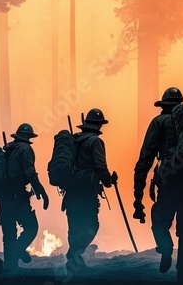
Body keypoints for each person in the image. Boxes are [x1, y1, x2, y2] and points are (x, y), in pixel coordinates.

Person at [133, 88, 183, 281]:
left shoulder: (159, 122)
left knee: (160, 220)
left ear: (163, 105)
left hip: (167, 179)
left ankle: (165, 248)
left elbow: (145, 158)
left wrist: (138, 195)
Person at [64, 108, 116, 277]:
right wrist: (108, 181)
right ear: (99, 125)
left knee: (74, 227)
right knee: (91, 225)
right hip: (86, 192)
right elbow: (100, 166)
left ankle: (74, 265)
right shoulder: (95, 142)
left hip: (70, 192)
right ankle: (73, 254)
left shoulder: (73, 141)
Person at [0, 123, 49, 273]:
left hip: (4, 196)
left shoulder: (8, 148)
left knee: (9, 233)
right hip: (18, 196)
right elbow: (30, 173)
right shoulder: (25, 149)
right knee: (31, 227)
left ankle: (9, 268)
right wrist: (41, 192)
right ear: (28, 137)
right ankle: (18, 249)